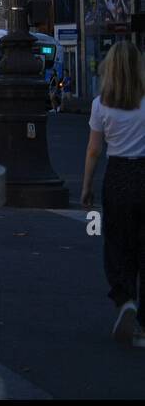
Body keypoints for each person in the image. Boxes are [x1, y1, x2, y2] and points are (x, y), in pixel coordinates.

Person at [80, 41, 145, 346]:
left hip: (117, 176)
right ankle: (143, 326)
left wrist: (86, 186)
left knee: (118, 245)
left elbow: (94, 151)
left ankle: (125, 299)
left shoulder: (100, 104)